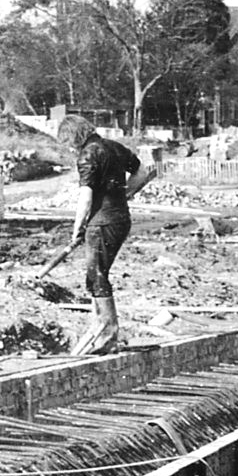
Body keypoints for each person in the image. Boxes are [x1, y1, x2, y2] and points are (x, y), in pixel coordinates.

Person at [58, 115, 154, 354]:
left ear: (75, 136)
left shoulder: (88, 155)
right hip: (121, 218)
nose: (69, 147)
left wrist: (77, 227)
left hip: (101, 222)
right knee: (97, 275)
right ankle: (100, 327)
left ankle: (108, 332)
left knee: (97, 276)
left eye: (68, 141)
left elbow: (86, 197)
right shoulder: (115, 147)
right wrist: (125, 194)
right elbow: (143, 172)